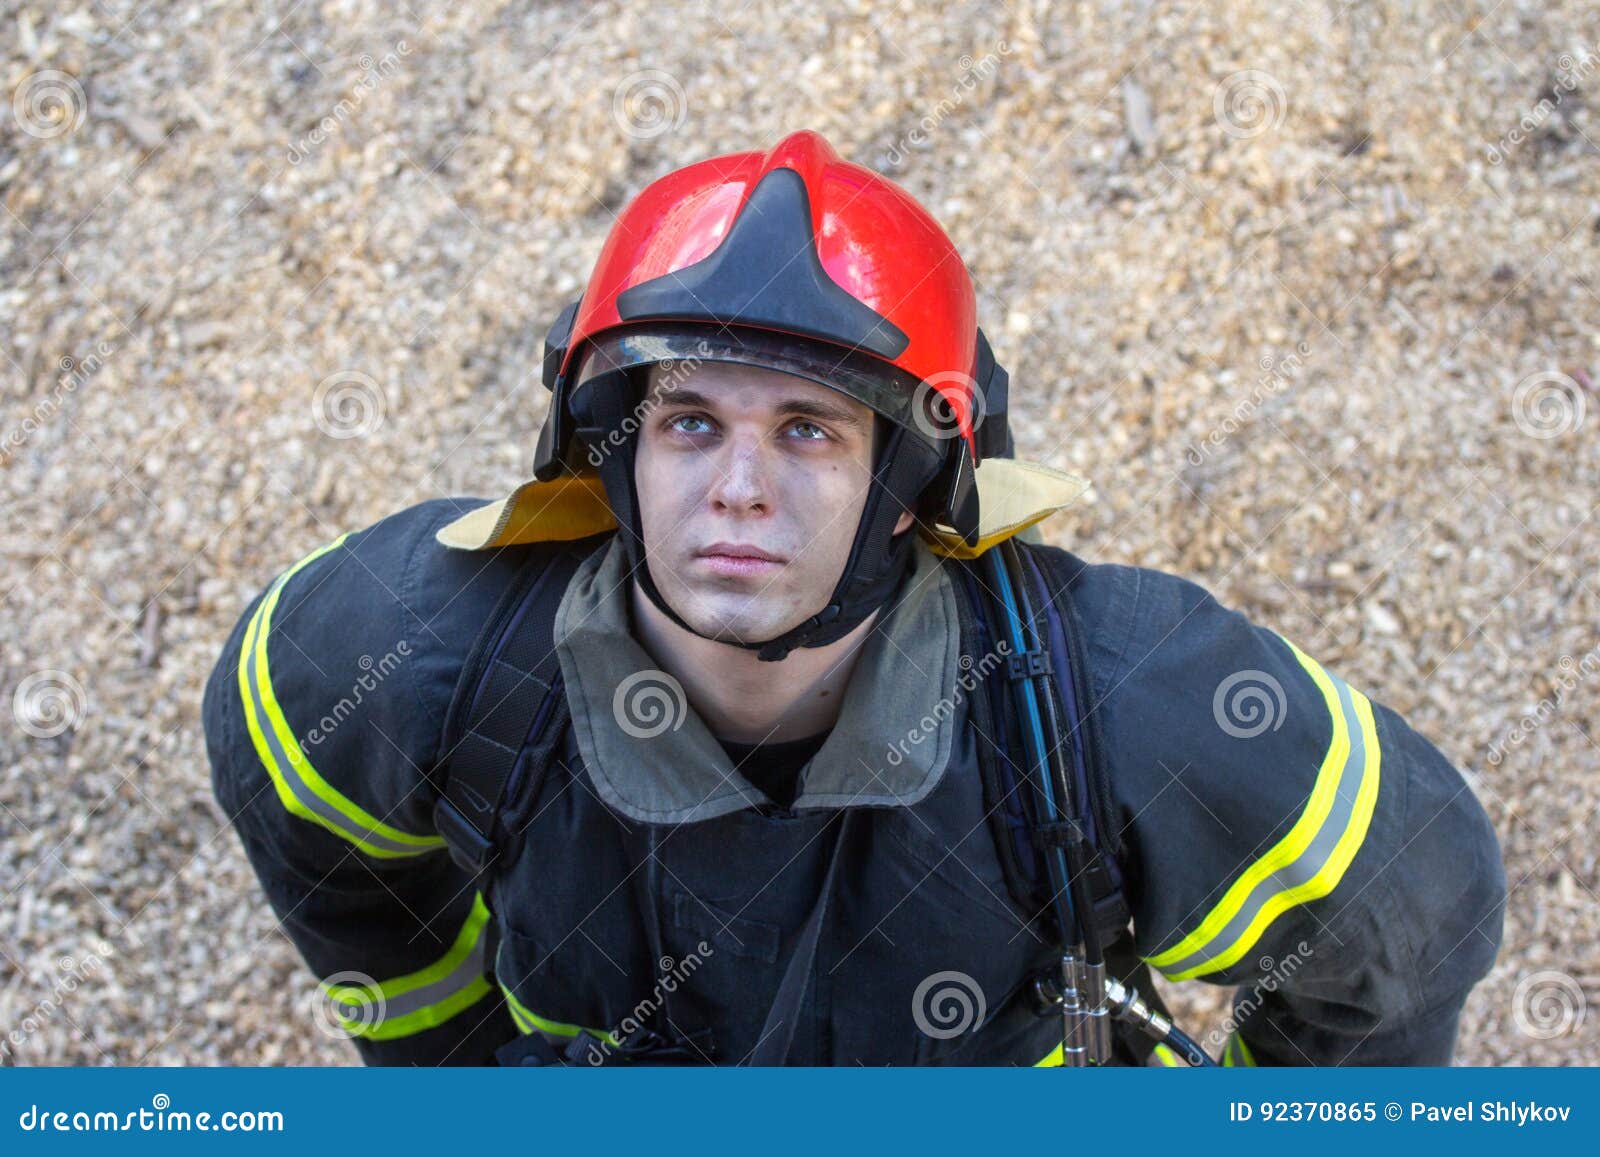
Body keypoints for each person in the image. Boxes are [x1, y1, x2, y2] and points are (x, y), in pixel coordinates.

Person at [203, 131, 1506, 1067]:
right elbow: (269, 741)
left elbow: (1421, 886)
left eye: (813, 431)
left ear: (908, 485)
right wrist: (447, 1058)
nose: (738, 489)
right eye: (691, 420)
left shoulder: (1110, 707)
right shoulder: (404, 655)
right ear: (614, 452)